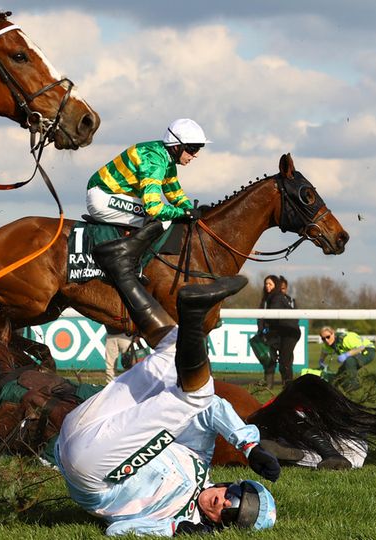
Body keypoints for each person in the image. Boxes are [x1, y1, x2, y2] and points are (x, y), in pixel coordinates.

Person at [55, 221, 279, 536]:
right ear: (234, 484)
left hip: (92, 472)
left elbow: (117, 531)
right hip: (80, 427)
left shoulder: (176, 519)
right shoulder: (200, 457)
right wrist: (250, 446)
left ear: (222, 525)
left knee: (196, 393)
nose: (224, 502)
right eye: (236, 495)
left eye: (231, 514)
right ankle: (120, 267)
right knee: (175, 353)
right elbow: (212, 408)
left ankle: (193, 318)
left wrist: (176, 528)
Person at [85, 118, 208, 229]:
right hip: (104, 197)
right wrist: (185, 213)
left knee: (167, 216)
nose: (196, 155)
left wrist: (191, 210)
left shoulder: (165, 157)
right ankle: (126, 254)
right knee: (162, 221)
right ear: (176, 146)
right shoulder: (153, 160)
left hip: (112, 196)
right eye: (193, 149)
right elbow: (153, 207)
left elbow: (175, 195)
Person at [257, 275, 301, 388]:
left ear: (275, 286)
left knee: (285, 361)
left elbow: (272, 316)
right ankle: (275, 385)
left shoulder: (277, 297)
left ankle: (288, 387)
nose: (267, 286)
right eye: (266, 284)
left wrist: (265, 328)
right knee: (277, 360)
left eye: (270, 284)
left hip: (290, 333)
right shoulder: (268, 299)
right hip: (281, 333)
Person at [317, 326, 376, 391]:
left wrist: (346, 355)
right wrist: (321, 361)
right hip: (354, 355)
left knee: (349, 361)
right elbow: (324, 351)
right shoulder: (328, 343)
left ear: (333, 334)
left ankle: (353, 385)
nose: (326, 340)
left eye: (328, 337)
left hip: (367, 351)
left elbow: (360, 348)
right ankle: (339, 392)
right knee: (339, 376)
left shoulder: (345, 338)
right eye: (323, 339)